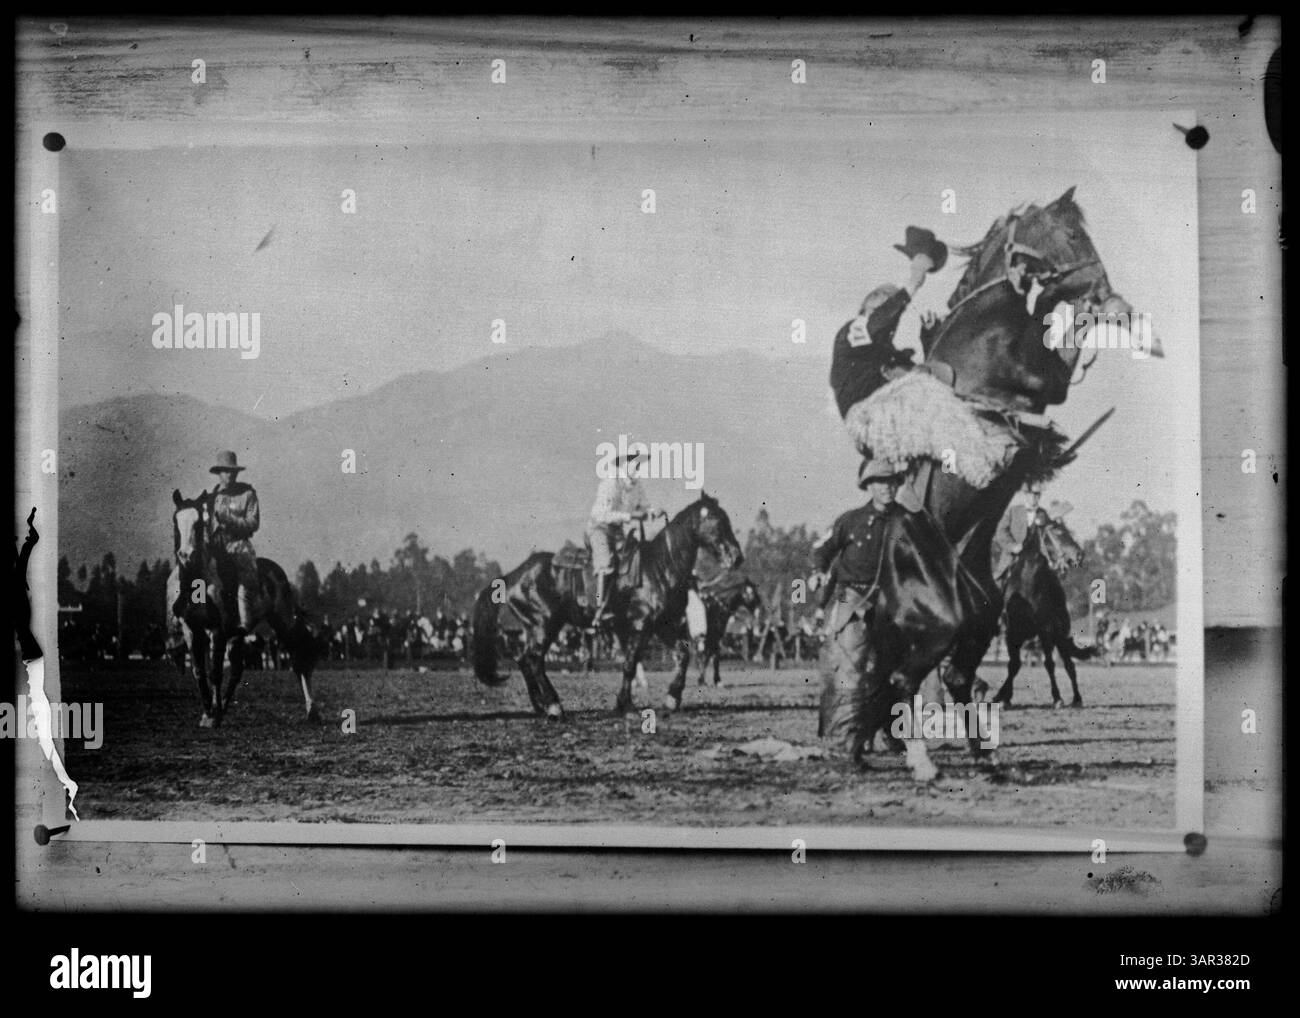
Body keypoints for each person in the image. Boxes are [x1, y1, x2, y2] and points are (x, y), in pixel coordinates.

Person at [811, 458, 909, 760]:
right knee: (847, 670)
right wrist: (817, 571)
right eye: (880, 482)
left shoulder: (907, 521)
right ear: (869, 486)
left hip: (892, 602)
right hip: (848, 597)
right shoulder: (850, 520)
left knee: (893, 672)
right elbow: (821, 549)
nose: (887, 488)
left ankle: (891, 734)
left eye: (892, 482)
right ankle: (845, 741)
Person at [829, 227, 949, 422]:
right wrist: (912, 284)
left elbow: (922, 370)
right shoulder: (851, 332)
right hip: (865, 415)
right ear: (869, 302)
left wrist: (929, 335)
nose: (887, 302)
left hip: (886, 410)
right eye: (882, 296)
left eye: (889, 299)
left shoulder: (884, 350)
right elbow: (878, 323)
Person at [586, 449, 663, 625]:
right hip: (599, 528)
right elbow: (604, 514)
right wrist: (631, 516)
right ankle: (600, 608)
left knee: (633, 557)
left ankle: (627, 602)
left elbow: (645, 506)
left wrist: (654, 512)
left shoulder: (637, 486)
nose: (637, 468)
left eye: (639, 464)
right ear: (624, 464)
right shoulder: (610, 483)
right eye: (634, 463)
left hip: (618, 530)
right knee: (607, 562)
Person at [208, 451, 261, 641]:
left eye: (232, 472)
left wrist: (230, 520)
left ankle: (245, 625)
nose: (229, 475)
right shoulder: (212, 497)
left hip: (240, 546)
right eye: (225, 471)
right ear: (219, 473)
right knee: (203, 582)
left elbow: (253, 523)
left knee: (244, 585)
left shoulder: (247, 494)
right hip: (217, 549)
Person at [993, 480, 1045, 584]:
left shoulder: (1043, 514)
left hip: (1034, 559)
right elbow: (1001, 531)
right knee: (996, 588)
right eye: (1031, 493)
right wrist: (1013, 546)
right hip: (1012, 559)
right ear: (1026, 494)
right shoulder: (1013, 511)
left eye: (1037, 494)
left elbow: (1054, 533)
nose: (1034, 497)